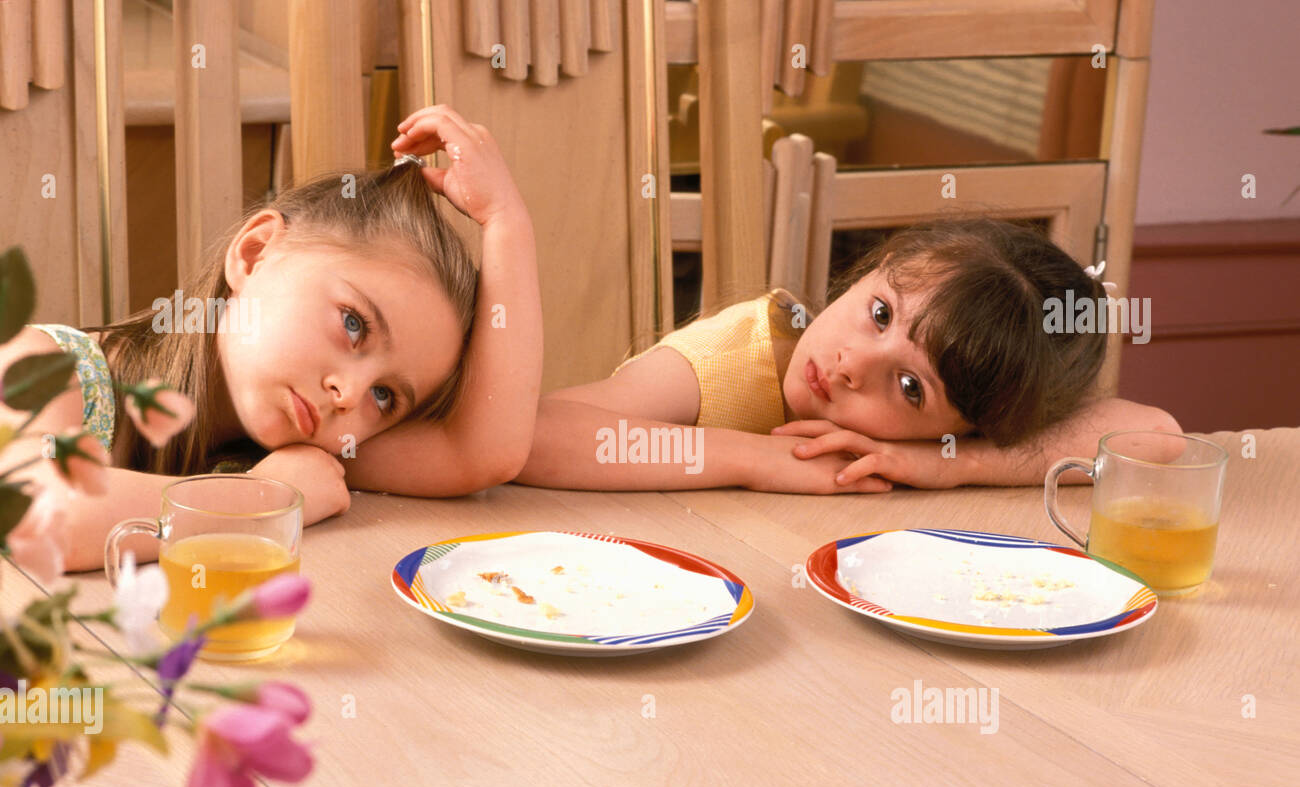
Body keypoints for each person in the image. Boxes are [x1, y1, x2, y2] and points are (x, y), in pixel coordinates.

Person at [1, 106, 542, 572]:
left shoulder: (297, 448)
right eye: (354, 324)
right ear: (255, 253)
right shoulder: (51, 369)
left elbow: (480, 454)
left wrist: (506, 223)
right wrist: (259, 500)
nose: (350, 396)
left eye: (385, 396)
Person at [517, 218, 1178, 493]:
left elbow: (1158, 436)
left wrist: (952, 465)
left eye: (911, 388)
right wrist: (757, 458)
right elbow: (533, 438)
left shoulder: (935, 446)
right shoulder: (730, 360)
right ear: (877, 267)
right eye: (881, 313)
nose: (852, 365)